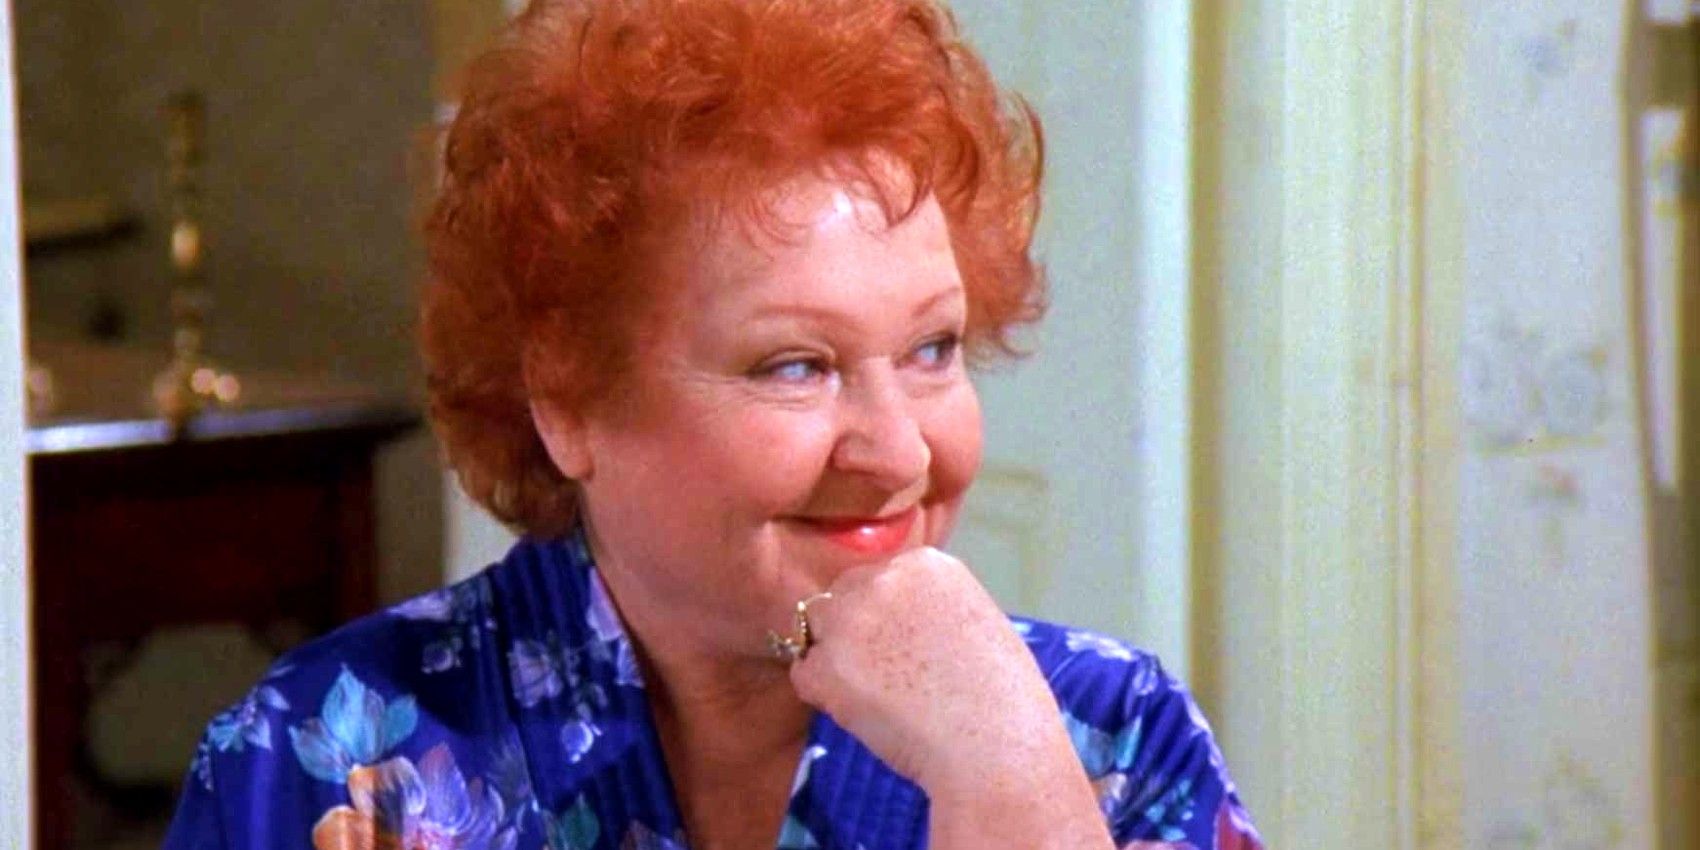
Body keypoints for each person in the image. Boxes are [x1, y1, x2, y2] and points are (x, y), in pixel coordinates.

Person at [163, 1, 1262, 848]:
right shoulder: (323, 757)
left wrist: (1011, 786)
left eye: (932, 349)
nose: (900, 451)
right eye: (796, 366)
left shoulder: (1111, 737)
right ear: (567, 399)